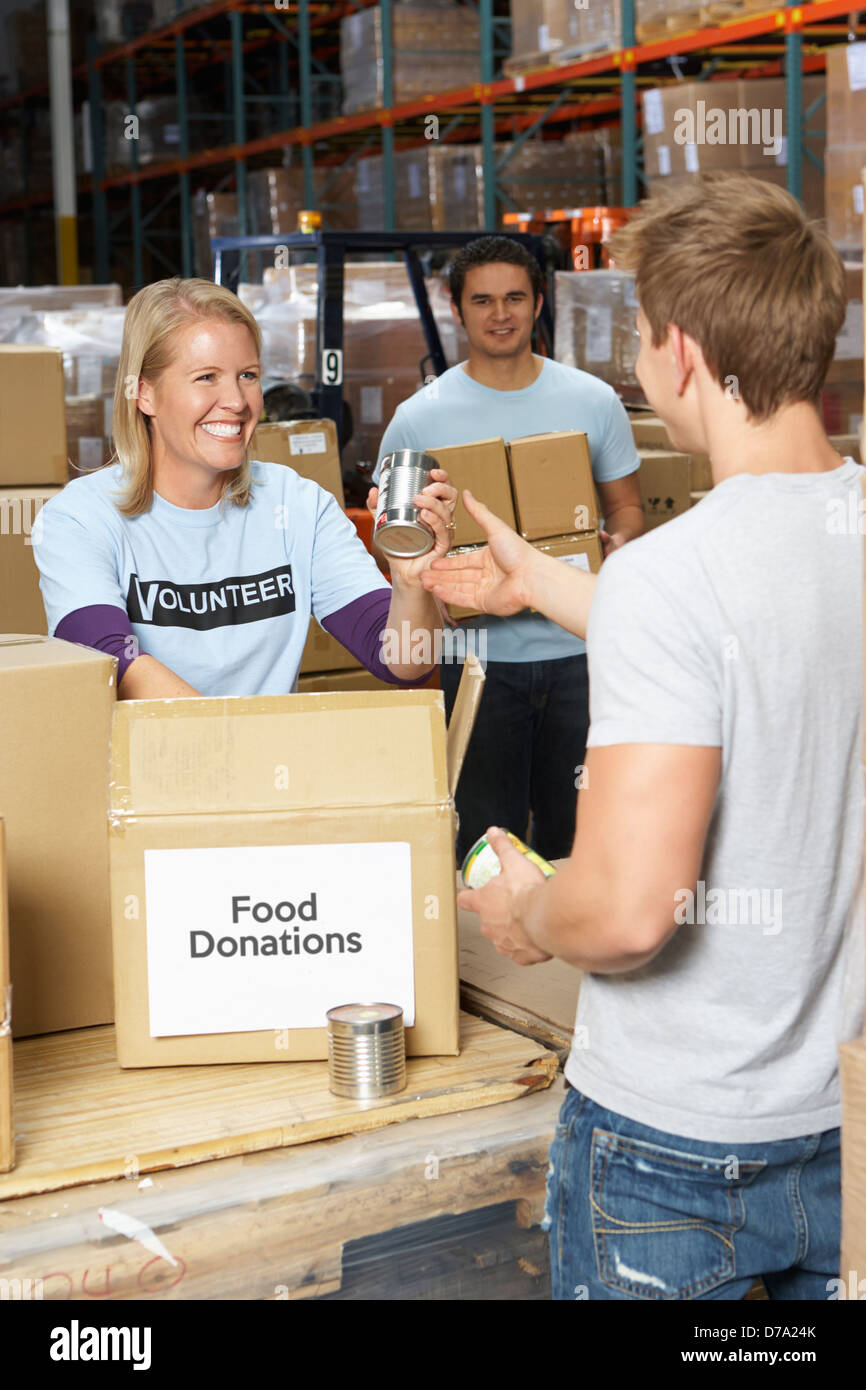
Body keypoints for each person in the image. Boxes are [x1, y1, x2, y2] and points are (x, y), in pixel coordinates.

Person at [423, 172, 864, 1300]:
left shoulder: (674, 577)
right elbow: (766, 644)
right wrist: (538, 583)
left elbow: (623, 917)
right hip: (843, 1127)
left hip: (675, 1156)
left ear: (675, 347)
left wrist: (523, 905)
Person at [33, 277, 457, 697]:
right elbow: (110, 663)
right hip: (156, 762)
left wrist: (409, 583)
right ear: (144, 393)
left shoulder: (298, 505)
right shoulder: (80, 519)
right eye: (206, 377)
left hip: (270, 761)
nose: (236, 401)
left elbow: (403, 664)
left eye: (248, 375)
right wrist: (240, 751)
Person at [373, 235, 643, 863]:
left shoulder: (592, 400)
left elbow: (627, 506)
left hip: (582, 655)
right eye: (484, 300)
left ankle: (573, 961)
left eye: (516, 297)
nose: (501, 314)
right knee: (483, 848)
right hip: (476, 662)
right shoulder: (419, 418)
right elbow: (395, 543)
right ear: (457, 309)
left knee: (583, 839)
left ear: (539, 302)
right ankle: (488, 965)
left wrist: (621, 543)